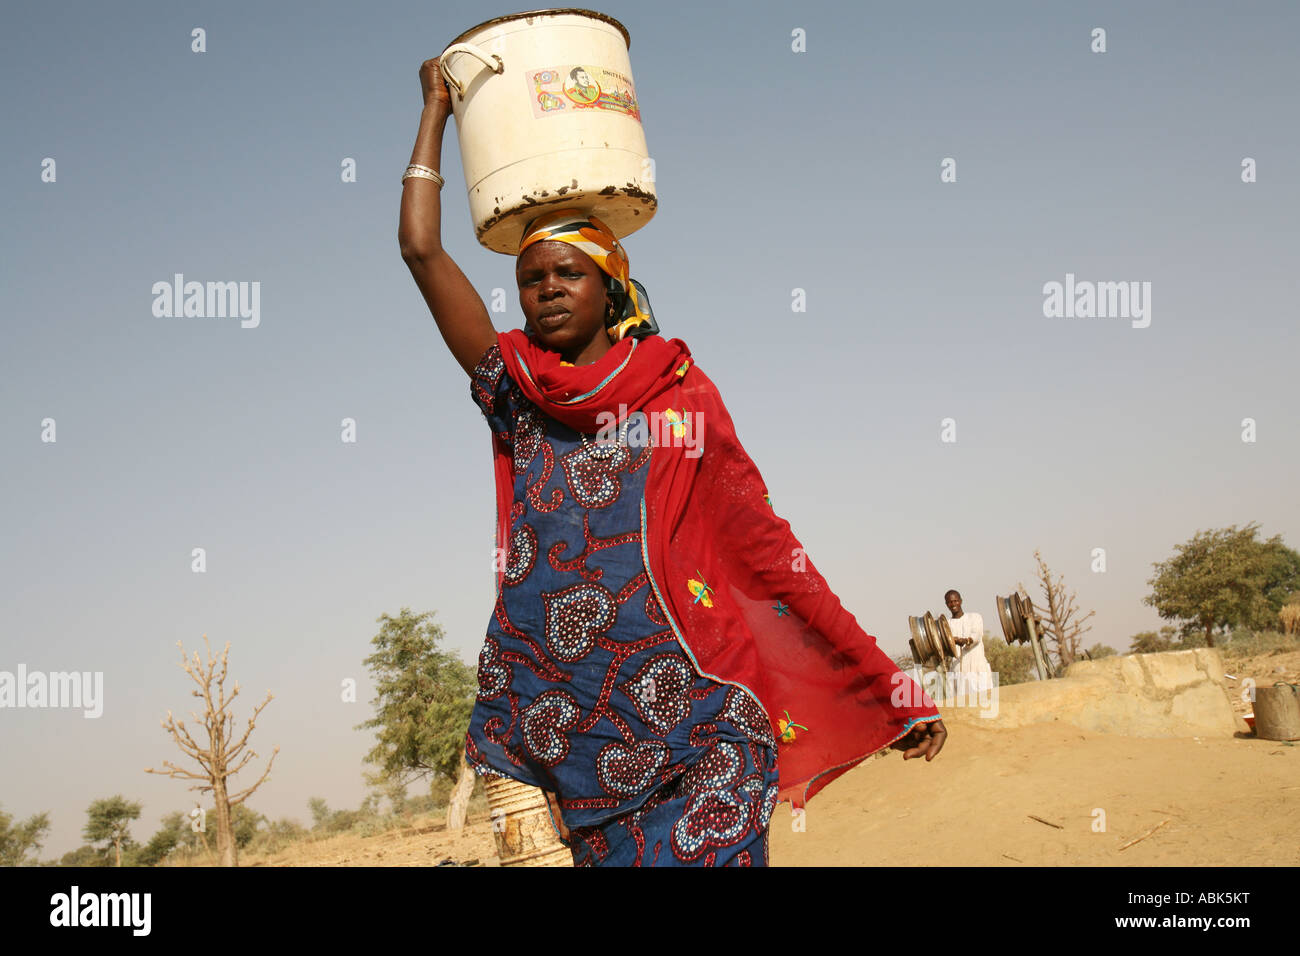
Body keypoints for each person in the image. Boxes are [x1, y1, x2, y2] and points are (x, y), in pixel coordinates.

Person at [399, 59, 947, 866]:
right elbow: (420, 249)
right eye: (530, 279)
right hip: (578, 744)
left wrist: (886, 684)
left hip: (704, 731)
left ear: (611, 284)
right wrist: (436, 112)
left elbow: (770, 549)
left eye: (568, 272)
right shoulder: (515, 392)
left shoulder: (679, 400)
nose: (546, 288)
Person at [943, 589, 992, 681]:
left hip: (978, 669)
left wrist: (966, 641)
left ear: (960, 601)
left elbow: (976, 635)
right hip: (958, 671)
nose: (953, 604)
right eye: (950, 602)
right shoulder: (946, 625)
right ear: (946, 604)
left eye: (955, 601)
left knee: (985, 695)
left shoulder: (975, 617)